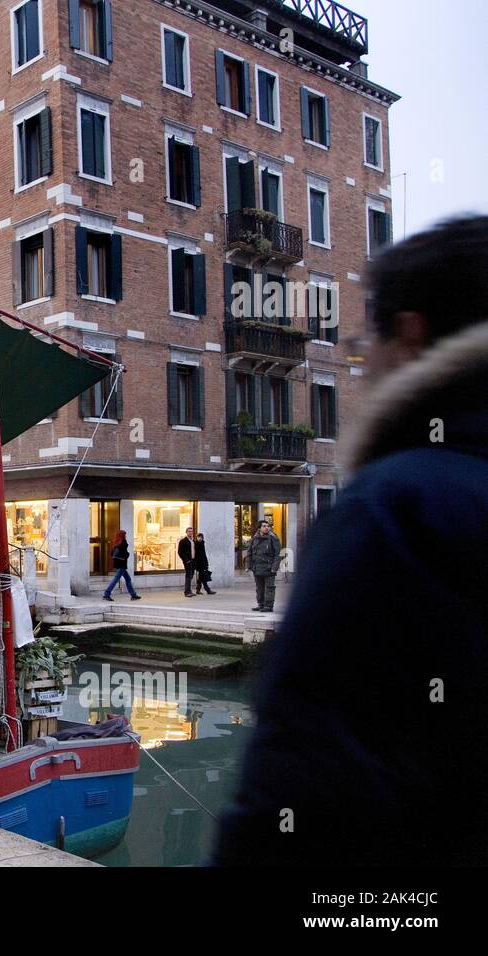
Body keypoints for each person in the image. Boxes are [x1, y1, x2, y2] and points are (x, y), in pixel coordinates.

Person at [212, 215, 488, 867]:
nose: (360, 371)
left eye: (366, 346)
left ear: (411, 335)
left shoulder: (391, 510)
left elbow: (305, 784)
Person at [246, 520, 281, 612]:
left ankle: (268, 606)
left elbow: (278, 554)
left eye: (268, 526)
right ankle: (261, 604)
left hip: (269, 568)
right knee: (259, 588)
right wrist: (248, 565)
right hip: (257, 567)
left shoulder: (273, 538)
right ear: (259, 528)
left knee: (269, 587)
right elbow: (249, 552)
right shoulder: (255, 538)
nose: (267, 528)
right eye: (264, 526)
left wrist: (274, 567)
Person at [101, 530, 141, 601]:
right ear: (122, 535)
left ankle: (133, 595)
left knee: (128, 579)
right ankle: (106, 594)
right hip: (122, 564)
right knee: (116, 579)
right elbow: (125, 554)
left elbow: (112, 553)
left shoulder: (116, 543)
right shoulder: (123, 542)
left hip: (118, 563)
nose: (125, 536)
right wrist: (128, 554)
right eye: (125, 534)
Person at [177, 527, 198, 597]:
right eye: (189, 531)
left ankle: (189, 590)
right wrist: (186, 560)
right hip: (188, 561)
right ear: (186, 532)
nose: (190, 533)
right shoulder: (183, 541)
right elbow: (180, 552)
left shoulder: (193, 541)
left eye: (191, 531)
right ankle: (187, 592)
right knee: (188, 576)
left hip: (193, 560)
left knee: (191, 575)